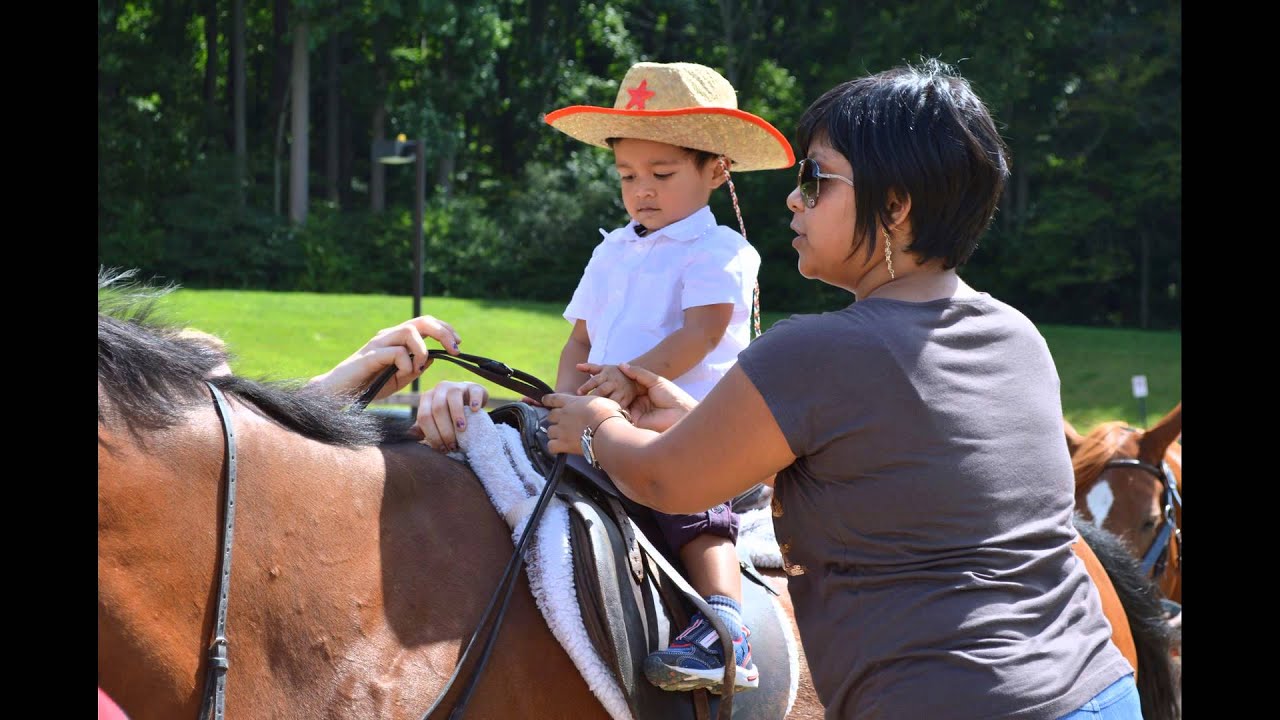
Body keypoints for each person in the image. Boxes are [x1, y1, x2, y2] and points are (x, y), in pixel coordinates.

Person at [538, 59, 1141, 718]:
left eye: (815, 179)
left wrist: (596, 427)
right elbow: (885, 478)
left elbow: (664, 482)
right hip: (1101, 690)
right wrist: (695, 415)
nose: (794, 199)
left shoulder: (815, 351)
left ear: (895, 205)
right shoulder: (1018, 336)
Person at [542, 60, 795, 693]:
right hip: (604, 415)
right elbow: (580, 339)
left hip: (688, 418)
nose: (641, 191)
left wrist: (630, 381)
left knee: (685, 495)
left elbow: (702, 333)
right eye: (628, 175)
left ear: (716, 170)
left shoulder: (721, 253)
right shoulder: (611, 250)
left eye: (661, 174)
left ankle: (724, 623)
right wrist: (565, 401)